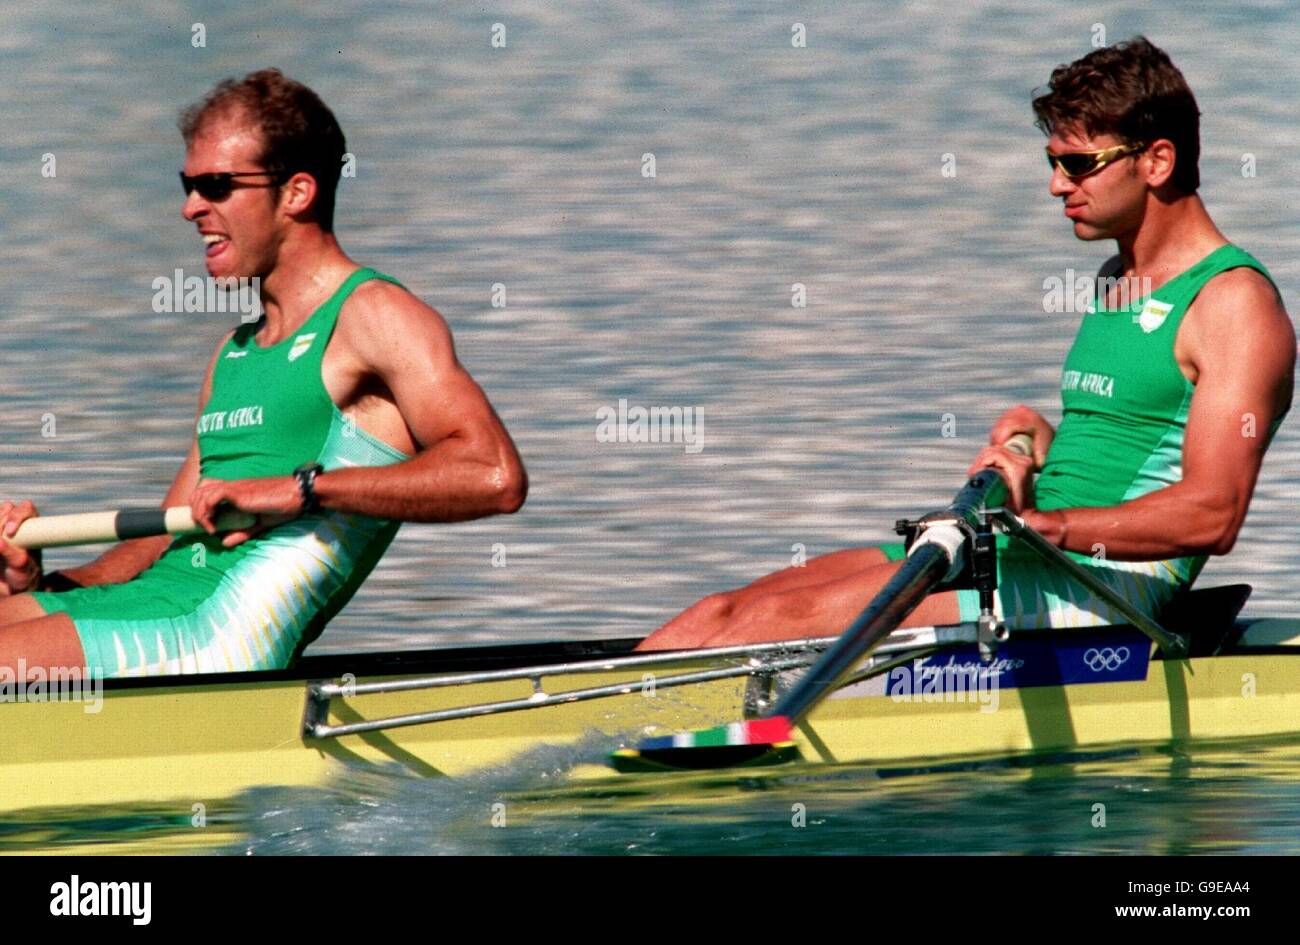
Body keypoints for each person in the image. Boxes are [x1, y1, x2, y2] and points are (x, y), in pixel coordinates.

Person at [638, 36, 1294, 651]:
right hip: (1027, 555)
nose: (1057, 185)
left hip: (1105, 593)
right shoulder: (1117, 280)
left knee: (769, 624)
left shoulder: (1233, 303)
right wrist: (1035, 444)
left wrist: (1045, 527)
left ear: (1157, 160)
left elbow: (1213, 511)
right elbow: (1128, 445)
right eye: (1053, 163)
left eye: (1078, 164)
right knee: (720, 611)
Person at [0, 69, 527, 677]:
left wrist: (305, 489)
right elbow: (163, 543)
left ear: (297, 193)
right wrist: (40, 582)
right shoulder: (234, 352)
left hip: (215, 639)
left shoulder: (376, 316)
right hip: (149, 607)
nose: (190, 207)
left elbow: (494, 475)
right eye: (188, 184)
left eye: (217, 186)